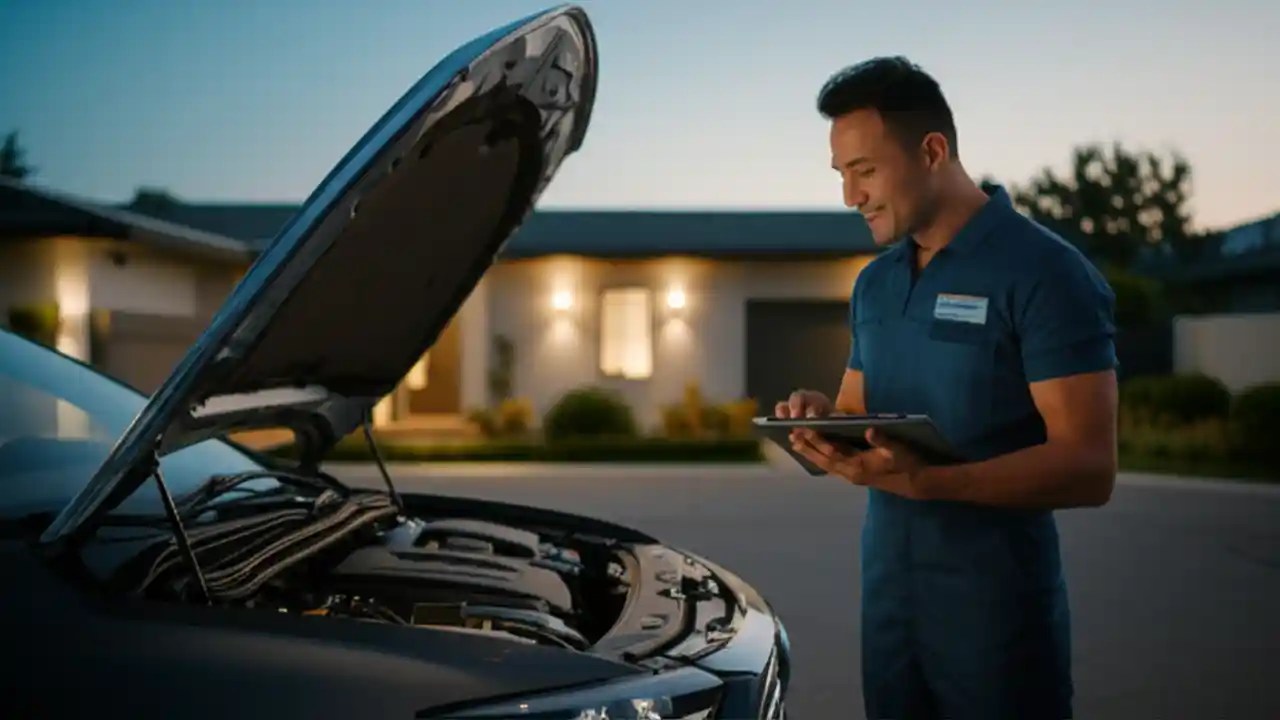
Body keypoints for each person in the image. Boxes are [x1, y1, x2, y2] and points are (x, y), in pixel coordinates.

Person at [777, 56, 1119, 719]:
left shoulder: (1048, 274)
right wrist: (822, 421)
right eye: (842, 175)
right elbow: (857, 414)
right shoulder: (875, 283)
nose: (851, 197)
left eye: (866, 171)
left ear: (932, 150)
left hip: (999, 629)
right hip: (891, 616)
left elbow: (1089, 466)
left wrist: (931, 483)